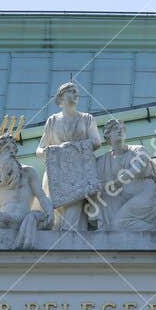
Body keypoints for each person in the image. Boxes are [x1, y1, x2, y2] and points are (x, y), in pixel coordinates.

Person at [39, 82, 102, 229]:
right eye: (71, 92)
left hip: (78, 174)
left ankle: (72, 244)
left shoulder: (87, 118)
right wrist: (55, 151)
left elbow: (96, 142)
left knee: (73, 214)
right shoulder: (52, 121)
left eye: (76, 93)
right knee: (56, 218)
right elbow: (39, 150)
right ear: (61, 97)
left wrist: (73, 147)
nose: (75, 95)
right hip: (56, 175)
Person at [95, 119, 156, 231]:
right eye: (116, 129)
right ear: (107, 136)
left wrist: (116, 183)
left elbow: (136, 169)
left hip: (145, 197)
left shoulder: (138, 150)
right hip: (126, 200)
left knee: (118, 225)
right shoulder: (103, 161)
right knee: (105, 199)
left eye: (122, 129)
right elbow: (96, 184)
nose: (120, 131)